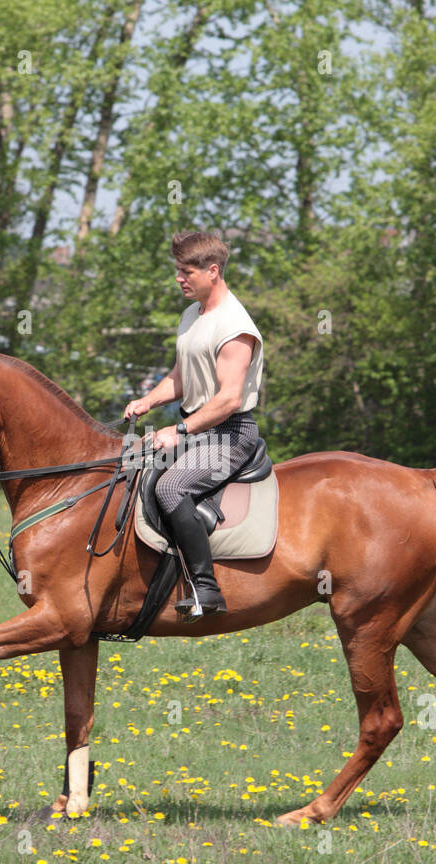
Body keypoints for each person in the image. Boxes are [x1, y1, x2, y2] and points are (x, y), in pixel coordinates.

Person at [123, 231, 265, 618]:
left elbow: (229, 399)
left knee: (171, 488)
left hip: (230, 435)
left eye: (186, 272)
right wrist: (148, 401)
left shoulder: (234, 325)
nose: (178, 279)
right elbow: (181, 376)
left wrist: (180, 431)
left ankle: (206, 589)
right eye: (177, 271)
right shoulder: (192, 315)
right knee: (128, 467)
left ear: (213, 271)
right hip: (200, 429)